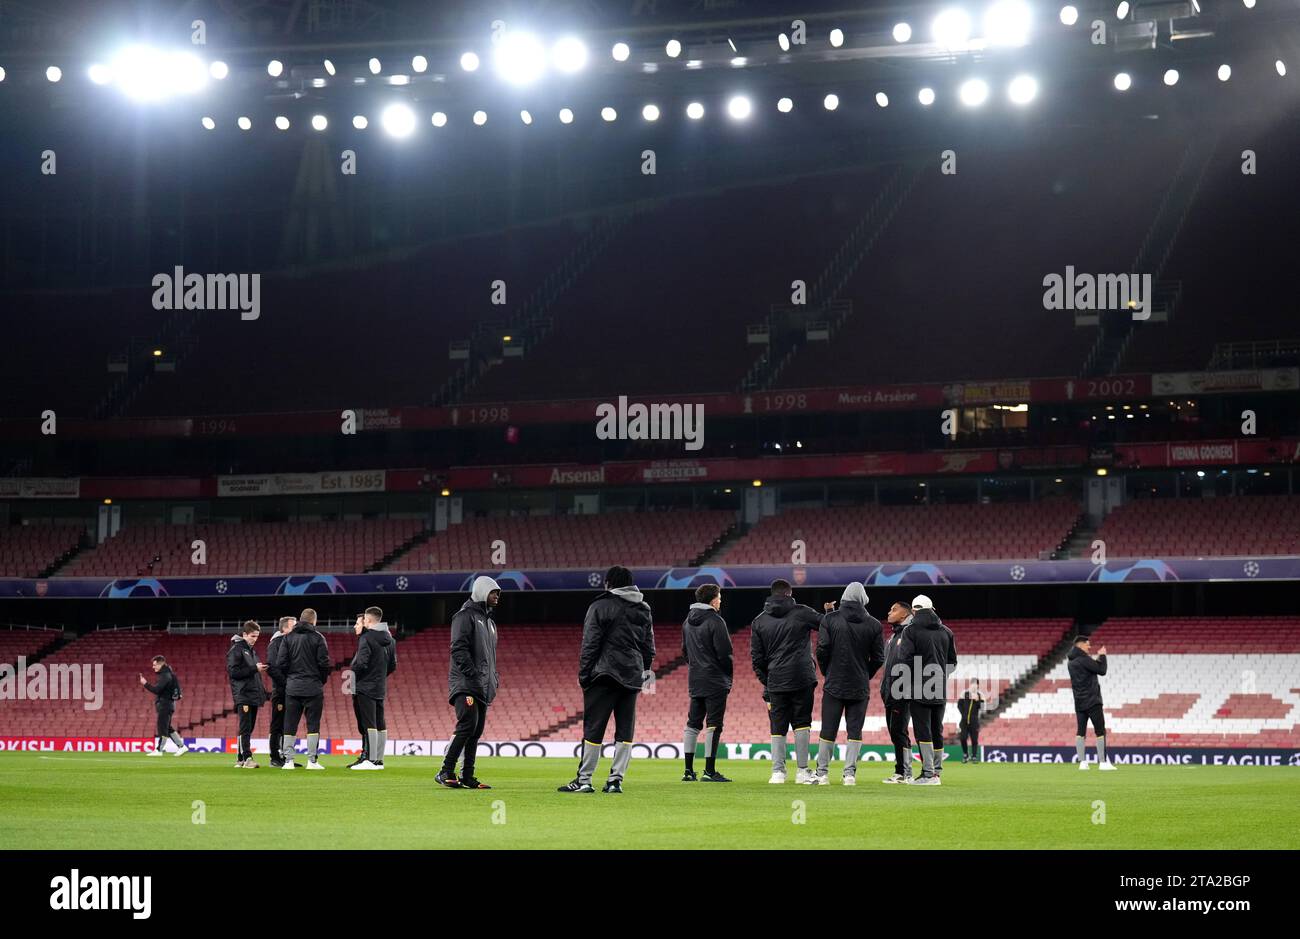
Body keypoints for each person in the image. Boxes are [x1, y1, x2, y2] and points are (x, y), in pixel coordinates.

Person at [558, 566, 655, 795]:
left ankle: (584, 780)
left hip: (603, 675)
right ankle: (615, 781)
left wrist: (584, 676)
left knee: (594, 728)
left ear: (609, 583)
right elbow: (648, 647)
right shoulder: (643, 608)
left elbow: (590, 644)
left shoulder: (599, 605)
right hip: (632, 676)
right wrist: (644, 671)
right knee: (625, 730)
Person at [750, 579, 822, 785]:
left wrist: (769, 680)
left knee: (777, 726)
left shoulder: (759, 621)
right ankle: (802, 771)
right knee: (802, 723)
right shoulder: (802, 612)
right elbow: (827, 625)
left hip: (776, 681)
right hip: (802, 678)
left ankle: (778, 772)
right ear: (789, 594)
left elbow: (757, 659)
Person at [813, 582, 884, 786]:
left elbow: (822, 650)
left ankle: (822, 774)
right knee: (855, 730)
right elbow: (879, 657)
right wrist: (864, 674)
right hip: (859, 685)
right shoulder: (874, 625)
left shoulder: (830, 619)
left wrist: (828, 672)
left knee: (828, 729)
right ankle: (849, 775)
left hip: (834, 682)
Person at [436, 577, 501, 790]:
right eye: (494, 592)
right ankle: (445, 770)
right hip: (466, 683)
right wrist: (473, 674)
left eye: (498, 593)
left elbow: (490, 658)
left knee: (476, 730)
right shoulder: (464, 616)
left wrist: (493, 678)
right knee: (467, 726)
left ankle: (467, 776)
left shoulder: (490, 623)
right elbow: (458, 649)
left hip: (482, 686)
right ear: (482, 592)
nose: (497, 597)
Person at [894, 594, 956, 786]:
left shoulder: (910, 631)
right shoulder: (946, 631)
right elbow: (952, 663)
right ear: (932, 610)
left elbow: (905, 659)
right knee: (937, 729)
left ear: (914, 611)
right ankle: (936, 772)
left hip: (918, 687)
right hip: (939, 686)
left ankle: (928, 774)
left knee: (923, 731)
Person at [681, 583, 732, 783]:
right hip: (715, 680)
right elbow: (725, 653)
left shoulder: (687, 622)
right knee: (714, 724)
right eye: (719, 597)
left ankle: (688, 770)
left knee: (693, 724)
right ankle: (709, 771)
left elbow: (684, 651)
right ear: (712, 600)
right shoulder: (716, 621)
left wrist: (696, 667)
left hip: (695, 679)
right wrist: (727, 675)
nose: (720, 600)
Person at [269, 607, 331, 770]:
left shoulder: (288, 638)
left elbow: (281, 663)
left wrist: (291, 679)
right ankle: (312, 761)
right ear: (314, 621)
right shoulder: (319, 638)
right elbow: (324, 664)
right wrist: (320, 680)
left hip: (293, 688)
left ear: (300, 620)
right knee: (313, 725)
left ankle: (288, 761)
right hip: (313, 688)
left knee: (289, 724)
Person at [348, 606, 397, 771]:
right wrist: (379, 677)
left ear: (368, 621)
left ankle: (369, 760)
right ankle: (379, 760)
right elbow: (392, 666)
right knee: (380, 723)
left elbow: (361, 663)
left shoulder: (367, 638)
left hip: (365, 687)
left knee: (369, 723)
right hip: (379, 687)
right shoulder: (390, 639)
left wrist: (353, 674)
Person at [1068, 635, 1114, 771]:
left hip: (1079, 702)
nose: (1089, 646)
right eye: (1087, 644)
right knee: (1100, 731)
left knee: (1080, 731)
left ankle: (1082, 762)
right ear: (1080, 645)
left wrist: (1097, 660)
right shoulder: (1084, 659)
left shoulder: (1071, 662)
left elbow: (1090, 668)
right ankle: (1103, 762)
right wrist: (1103, 656)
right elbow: (1101, 670)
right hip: (1092, 701)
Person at [227, 620, 268, 768]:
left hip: (252, 695)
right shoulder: (236, 650)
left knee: (248, 728)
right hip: (243, 694)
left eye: (257, 636)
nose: (255, 639)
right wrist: (254, 669)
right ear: (244, 635)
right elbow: (233, 673)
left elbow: (253, 675)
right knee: (245, 728)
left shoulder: (251, 651)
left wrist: (263, 693)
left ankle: (240, 759)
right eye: (252, 636)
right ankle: (247, 758)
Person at [880, 601, 914, 784]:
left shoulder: (910, 633)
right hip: (890, 692)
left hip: (902, 692)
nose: (889, 612)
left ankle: (905, 773)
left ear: (904, 613)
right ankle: (901, 771)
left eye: (894, 609)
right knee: (895, 732)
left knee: (899, 731)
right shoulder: (893, 637)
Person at [139, 656, 189, 756]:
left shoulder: (165, 675)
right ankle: (181, 746)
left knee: (162, 728)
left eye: (154, 665)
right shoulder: (169, 674)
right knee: (167, 727)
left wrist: (145, 684)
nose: (153, 667)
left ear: (160, 664)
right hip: (168, 704)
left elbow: (157, 690)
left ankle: (159, 750)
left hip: (165, 705)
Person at [266, 616, 297, 768]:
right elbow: (271, 667)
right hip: (281, 690)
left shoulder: (291, 642)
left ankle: (286, 756)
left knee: (288, 724)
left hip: (290, 690)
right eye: (293, 626)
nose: (296, 628)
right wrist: (286, 684)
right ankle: (274, 756)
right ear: (284, 629)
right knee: (277, 724)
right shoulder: (275, 643)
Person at [958, 678, 984, 764]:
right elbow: (959, 705)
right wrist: (963, 714)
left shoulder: (980, 695)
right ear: (970, 684)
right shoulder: (964, 693)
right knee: (963, 737)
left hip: (974, 720)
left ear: (978, 685)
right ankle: (965, 754)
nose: (974, 685)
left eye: (975, 683)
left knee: (974, 739)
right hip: (964, 720)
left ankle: (974, 756)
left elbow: (983, 708)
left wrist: (977, 701)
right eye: (972, 683)